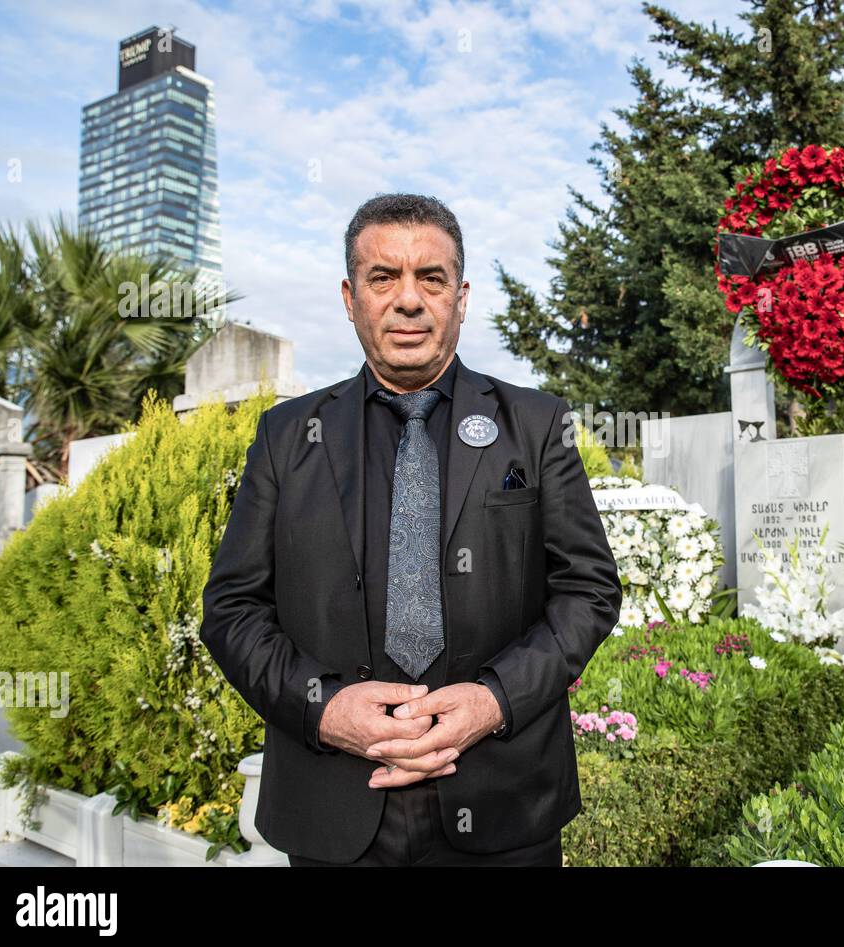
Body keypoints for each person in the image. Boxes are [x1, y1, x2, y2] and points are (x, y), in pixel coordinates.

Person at [200, 193, 622, 866]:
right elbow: (232, 609)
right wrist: (323, 710)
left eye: (431, 277)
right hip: (337, 806)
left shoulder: (537, 426)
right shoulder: (286, 436)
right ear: (349, 296)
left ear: (460, 295)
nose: (408, 300)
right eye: (382, 277)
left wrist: (493, 700)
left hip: (505, 801)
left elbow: (589, 591)